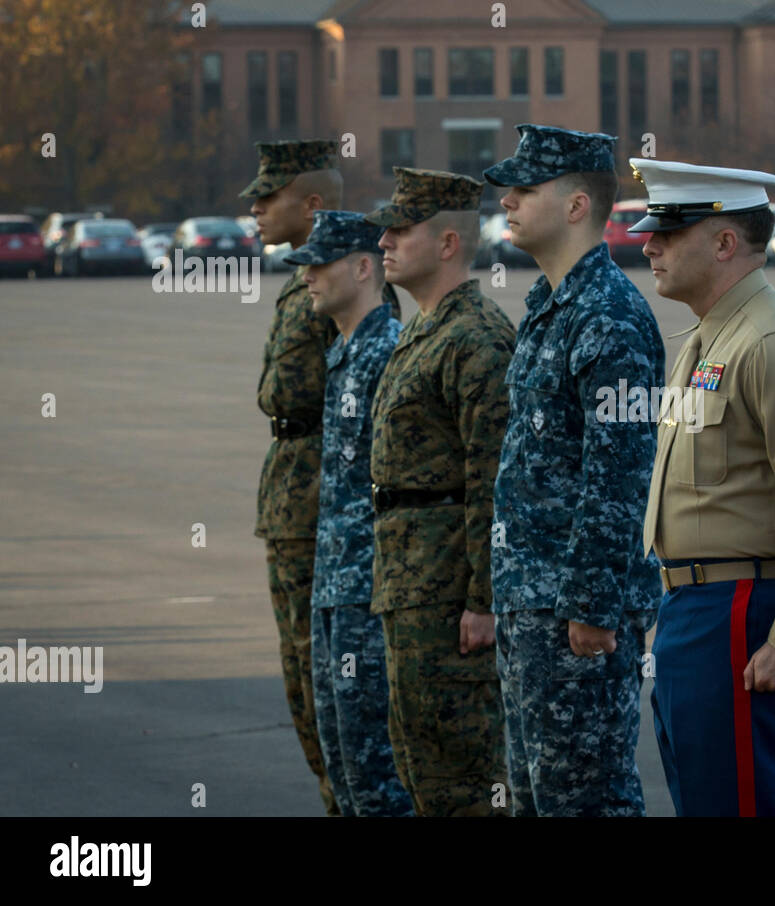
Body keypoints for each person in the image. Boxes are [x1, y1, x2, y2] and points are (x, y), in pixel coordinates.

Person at [485, 125, 664, 817]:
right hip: (532, 599)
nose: (508, 200)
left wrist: (591, 606)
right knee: (537, 797)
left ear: (576, 204)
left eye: (526, 188)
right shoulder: (552, 304)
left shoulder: (609, 314)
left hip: (573, 614)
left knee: (585, 799)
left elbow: (617, 475)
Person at [630, 158, 775, 817]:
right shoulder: (709, 334)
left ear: (724, 242)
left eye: (667, 232)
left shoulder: (771, 341)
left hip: (741, 608)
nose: (647, 244)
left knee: (737, 803)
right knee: (705, 797)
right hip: (692, 608)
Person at [364, 168, 515, 816]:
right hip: (410, 583)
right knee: (422, 767)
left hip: (449, 591)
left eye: (402, 229)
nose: (385, 242)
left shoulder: (475, 336)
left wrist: (482, 602)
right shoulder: (426, 328)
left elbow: (494, 482)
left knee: (463, 777)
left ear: (449, 242)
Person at [285, 210, 411, 817]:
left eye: (319, 264)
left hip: (371, 591)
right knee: (345, 766)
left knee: (377, 771)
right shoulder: (344, 352)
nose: (306, 277)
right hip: (336, 586)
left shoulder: (386, 352)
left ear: (363, 268)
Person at [242, 139, 344, 815]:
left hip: (319, 505)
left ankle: (346, 796)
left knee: (324, 676)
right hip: (291, 499)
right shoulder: (302, 278)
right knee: (302, 674)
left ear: (311, 204)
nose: (254, 208)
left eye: (267, 196)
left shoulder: (346, 277)